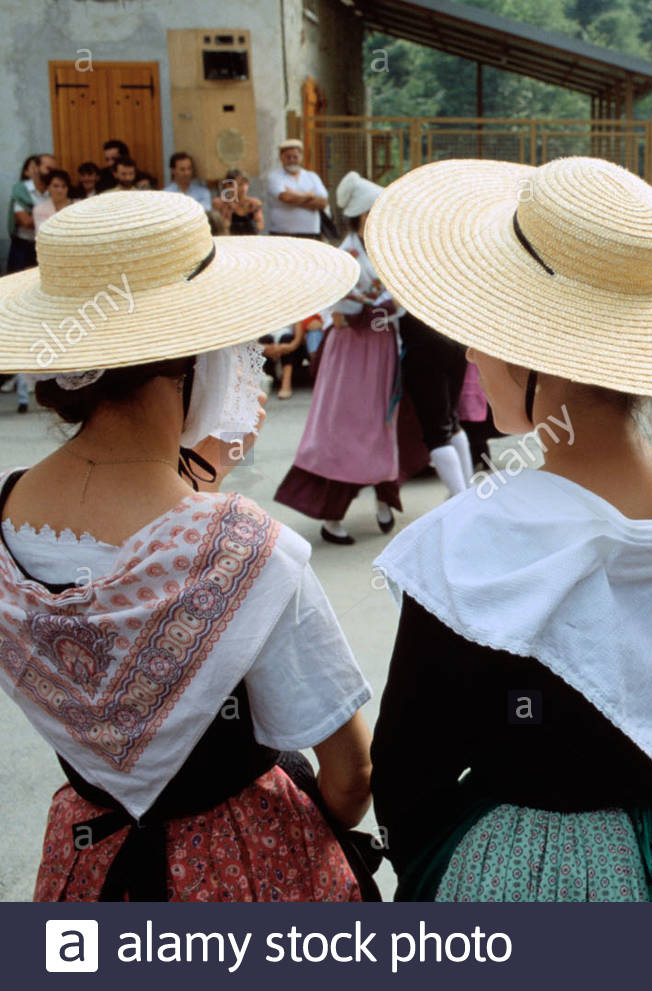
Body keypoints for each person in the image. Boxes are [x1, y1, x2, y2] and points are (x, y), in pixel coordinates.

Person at [363, 155, 652, 901]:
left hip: (528, 873)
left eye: (489, 329)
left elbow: (408, 770)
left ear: (545, 356)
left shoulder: (475, 546)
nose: (471, 352)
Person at [0, 191, 378, 901]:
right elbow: (352, 770)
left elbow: (113, 555)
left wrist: (193, 474)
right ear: (193, 363)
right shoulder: (253, 551)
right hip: (246, 862)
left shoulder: (8, 510)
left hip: (88, 861)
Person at [274, 171, 407, 543]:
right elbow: (343, 312)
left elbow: (391, 303)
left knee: (381, 425)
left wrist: (388, 309)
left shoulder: (381, 248)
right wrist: (385, 308)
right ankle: (332, 515)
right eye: (374, 213)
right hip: (352, 352)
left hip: (380, 348)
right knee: (345, 428)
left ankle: (384, 497)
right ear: (361, 216)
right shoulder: (346, 255)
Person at [265, 139, 328, 238]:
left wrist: (294, 195)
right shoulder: (275, 177)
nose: (291, 160)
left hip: (310, 233)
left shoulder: (312, 176)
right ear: (281, 158)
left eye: (295, 157)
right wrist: (308, 195)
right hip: (282, 232)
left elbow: (323, 203)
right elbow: (285, 197)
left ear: (301, 158)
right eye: (288, 157)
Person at [7, 153, 53, 273]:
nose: (51, 173)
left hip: (47, 247)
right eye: (48, 169)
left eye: (54, 170)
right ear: (36, 168)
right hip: (24, 247)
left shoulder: (54, 188)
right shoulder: (21, 189)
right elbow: (25, 221)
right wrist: (50, 220)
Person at [217, 169, 263, 234]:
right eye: (240, 184)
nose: (244, 188)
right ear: (228, 185)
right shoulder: (221, 204)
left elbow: (260, 225)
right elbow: (223, 227)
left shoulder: (254, 203)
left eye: (246, 184)